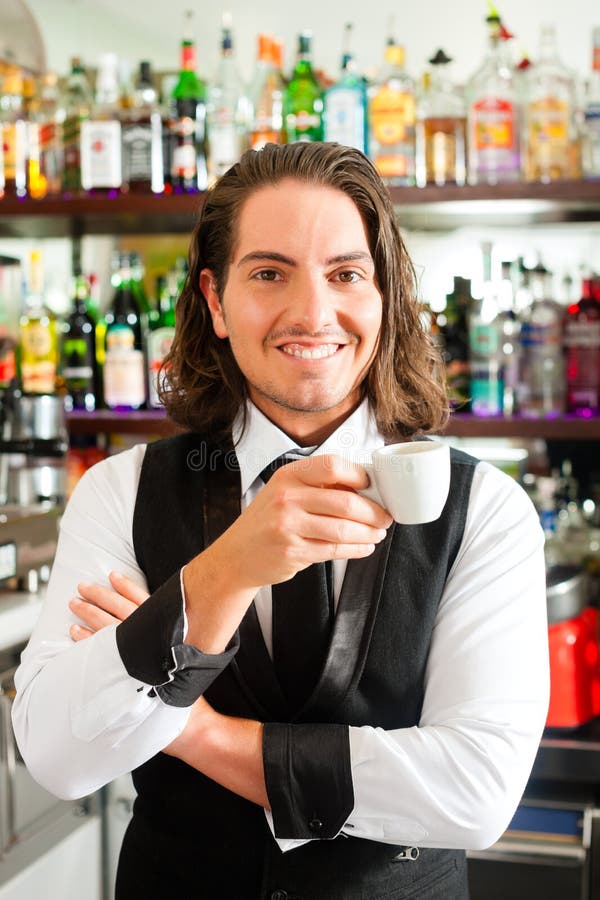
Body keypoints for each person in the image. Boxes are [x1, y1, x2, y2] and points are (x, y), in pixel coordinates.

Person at [12, 142, 549, 900]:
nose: (312, 313)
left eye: (346, 274)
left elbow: (477, 792)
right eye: (269, 273)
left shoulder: (487, 509)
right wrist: (222, 573)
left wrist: (192, 727)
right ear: (215, 301)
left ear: (384, 295)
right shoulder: (117, 492)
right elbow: (56, 758)